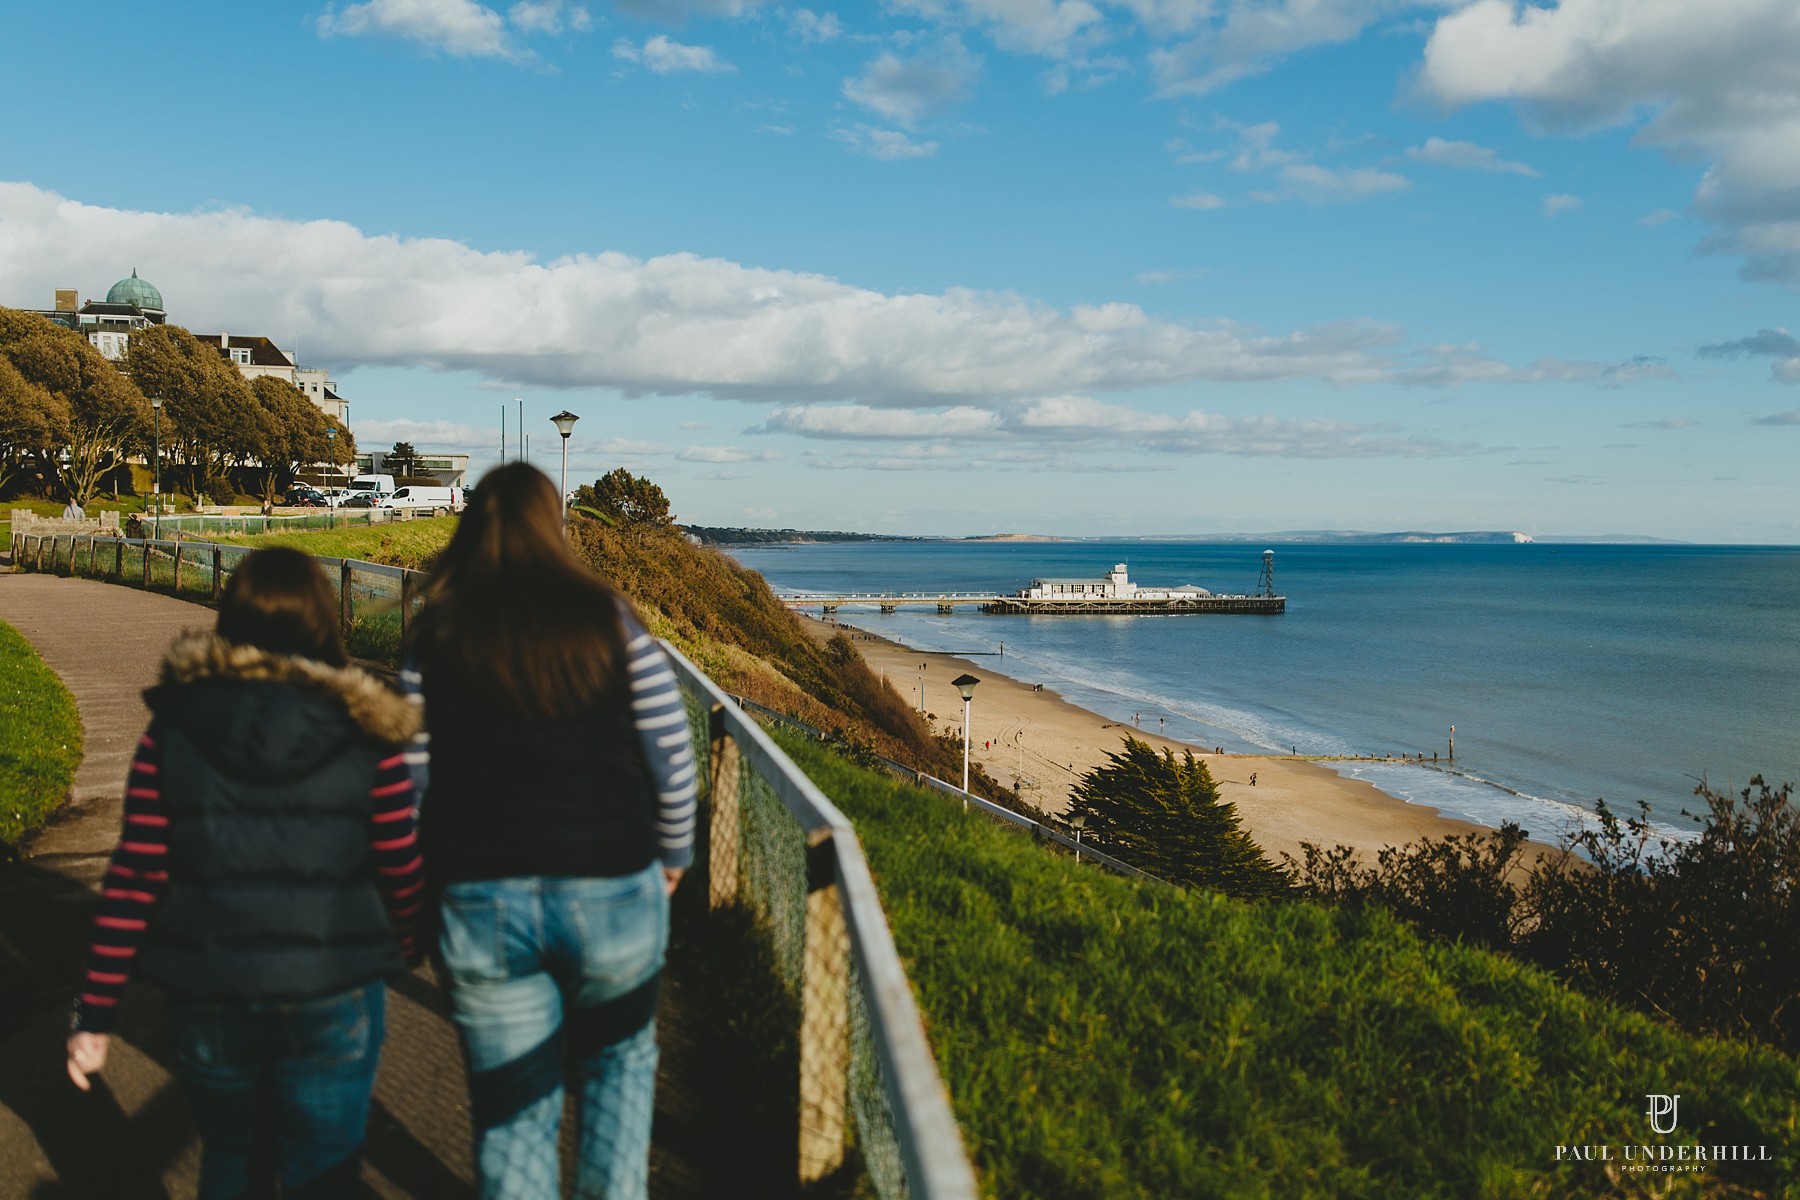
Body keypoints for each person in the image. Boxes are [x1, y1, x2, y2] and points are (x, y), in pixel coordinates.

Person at [66, 547, 423, 1199]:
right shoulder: (368, 729)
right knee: (325, 1171)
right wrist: (403, 940)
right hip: (332, 987)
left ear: (229, 620)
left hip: (210, 990)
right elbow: (399, 857)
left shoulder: (174, 727)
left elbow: (136, 874)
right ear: (326, 622)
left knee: (231, 1155)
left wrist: (96, 1014)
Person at [405, 463, 696, 1200]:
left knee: (512, 1114)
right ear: (556, 526)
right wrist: (672, 856)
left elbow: (412, 777)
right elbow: (671, 757)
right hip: (613, 882)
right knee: (619, 1078)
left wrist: (420, 881)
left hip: (480, 890)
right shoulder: (609, 617)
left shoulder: (434, 629)